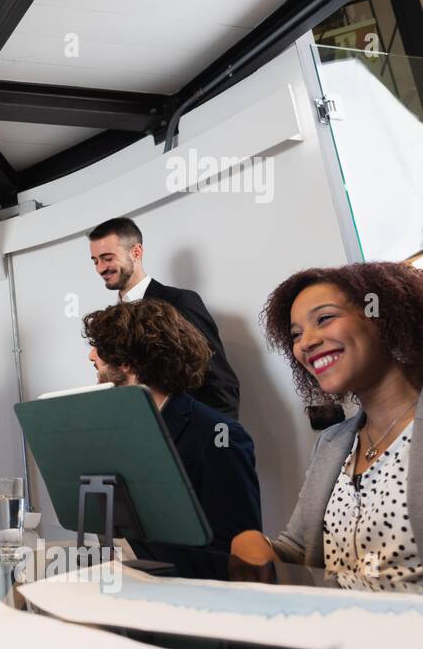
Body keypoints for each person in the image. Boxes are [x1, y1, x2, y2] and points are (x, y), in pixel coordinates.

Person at [231, 262, 423, 585]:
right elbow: (295, 548)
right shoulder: (334, 443)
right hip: (331, 630)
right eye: (296, 335)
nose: (306, 343)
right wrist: (254, 544)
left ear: (383, 317)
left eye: (324, 319)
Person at [82, 300, 261, 568]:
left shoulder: (219, 437)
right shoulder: (116, 434)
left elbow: (235, 553)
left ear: (127, 362)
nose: (91, 356)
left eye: (101, 349)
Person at [88, 216, 241, 418]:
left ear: (136, 252)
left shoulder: (180, 301)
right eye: (96, 261)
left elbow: (220, 383)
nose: (100, 268)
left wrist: (216, 441)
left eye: (108, 258)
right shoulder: (111, 321)